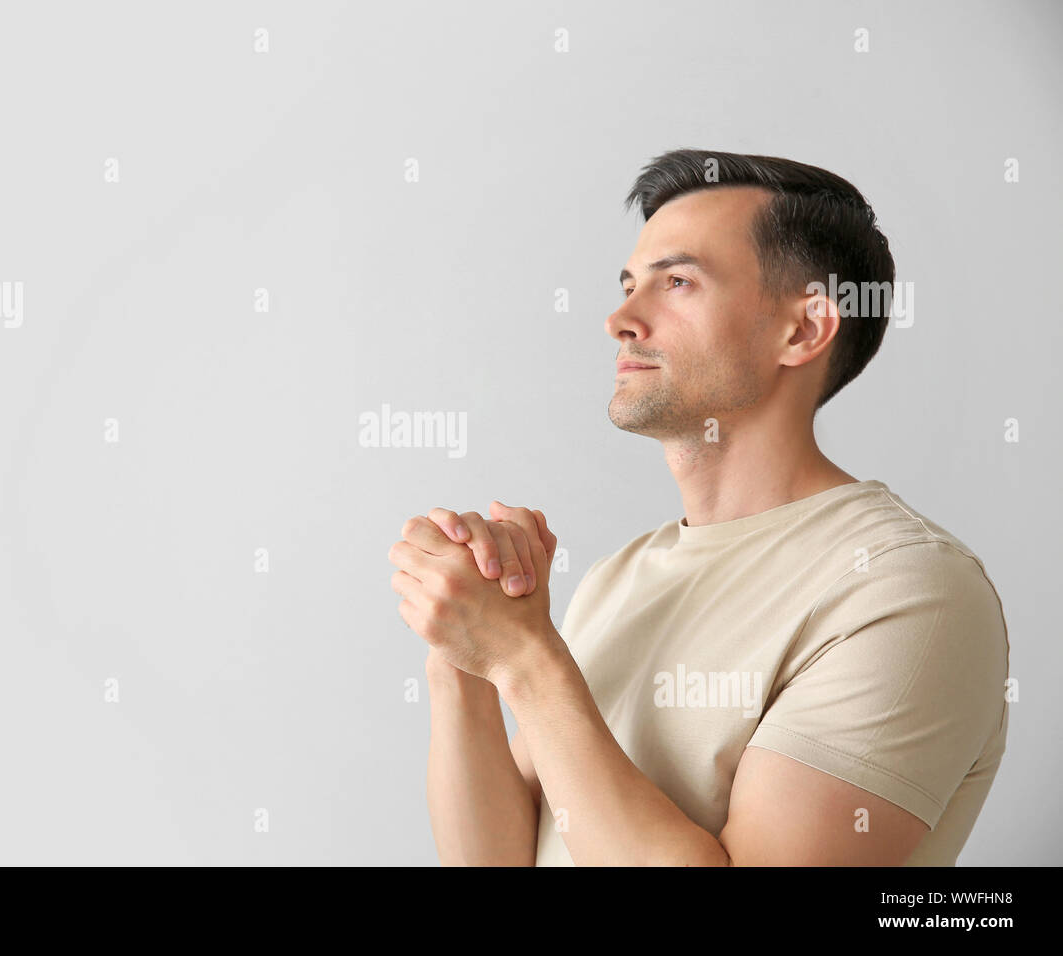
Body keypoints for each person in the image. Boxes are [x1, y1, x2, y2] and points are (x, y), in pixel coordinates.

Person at [387, 148, 1010, 866]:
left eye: (678, 282)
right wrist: (466, 654)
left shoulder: (906, 590)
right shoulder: (621, 576)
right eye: (627, 286)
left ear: (804, 330)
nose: (620, 318)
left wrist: (526, 658)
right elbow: (497, 860)